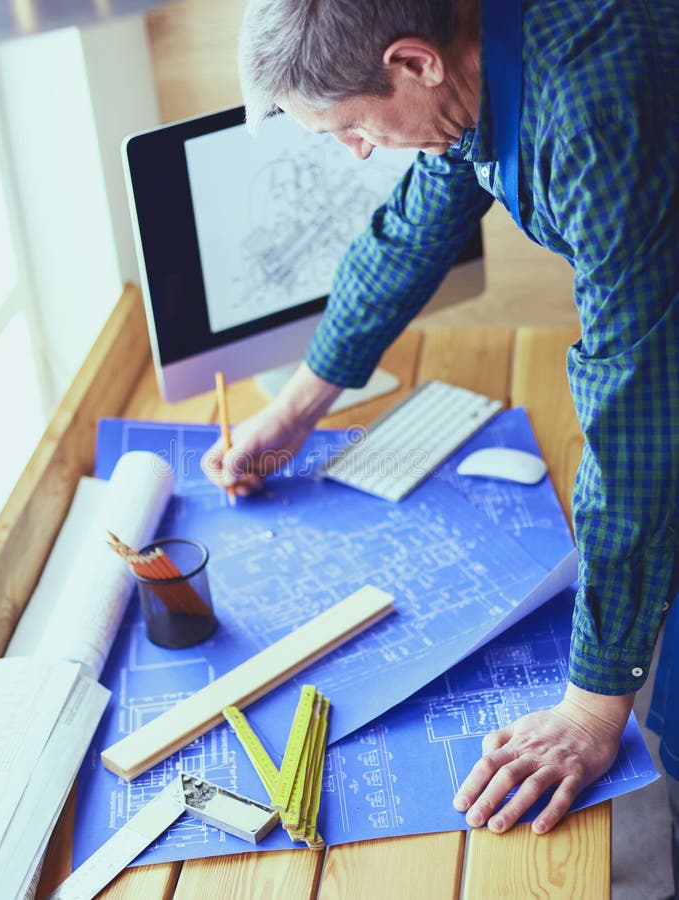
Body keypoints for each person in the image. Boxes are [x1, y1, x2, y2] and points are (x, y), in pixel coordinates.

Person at [202, 0, 679, 863]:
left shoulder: (589, 114)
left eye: (347, 127)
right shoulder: (462, 67)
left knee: (669, 714)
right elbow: (410, 233)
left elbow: (636, 413)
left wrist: (588, 707)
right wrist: (292, 413)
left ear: (412, 64)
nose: (352, 150)